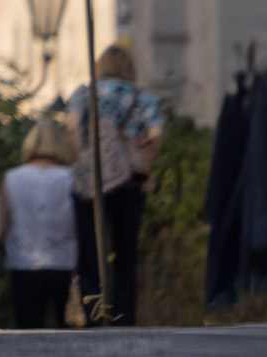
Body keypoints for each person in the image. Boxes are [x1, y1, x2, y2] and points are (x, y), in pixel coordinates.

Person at [66, 43, 164, 326]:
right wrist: (145, 166)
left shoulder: (84, 94)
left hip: (90, 184)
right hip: (128, 183)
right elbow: (155, 134)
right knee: (125, 255)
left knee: (89, 254)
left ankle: (94, 316)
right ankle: (123, 320)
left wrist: (82, 158)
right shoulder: (141, 97)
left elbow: (73, 126)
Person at [0, 117, 78, 329]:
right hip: (65, 263)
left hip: (23, 261)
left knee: (27, 328)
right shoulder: (73, 178)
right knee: (68, 330)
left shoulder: (11, 178)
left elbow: (0, 228)